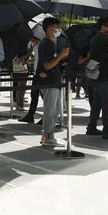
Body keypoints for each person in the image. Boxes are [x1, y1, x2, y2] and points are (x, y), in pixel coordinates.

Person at [37, 17, 69, 147]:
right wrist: (61, 56)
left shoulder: (53, 43)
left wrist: (61, 57)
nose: (56, 29)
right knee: (51, 110)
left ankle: (48, 135)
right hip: (49, 82)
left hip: (54, 80)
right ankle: (48, 136)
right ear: (46, 29)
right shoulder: (45, 44)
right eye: (53, 27)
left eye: (57, 27)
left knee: (55, 110)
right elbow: (47, 65)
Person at [19, 37, 41, 123]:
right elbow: (36, 58)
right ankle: (30, 114)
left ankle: (44, 116)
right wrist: (29, 61)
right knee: (34, 94)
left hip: (40, 72)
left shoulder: (41, 45)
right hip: (36, 72)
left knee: (43, 95)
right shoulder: (34, 45)